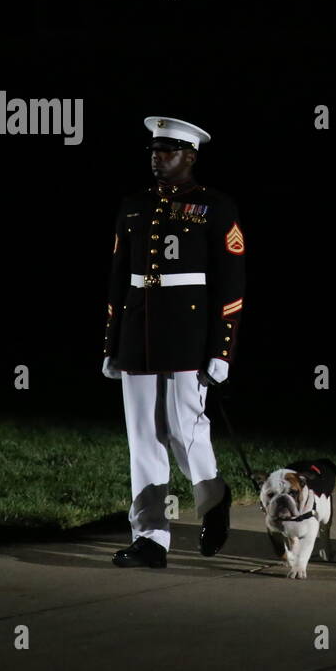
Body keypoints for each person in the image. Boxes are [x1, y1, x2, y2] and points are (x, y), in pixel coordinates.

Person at [101, 117, 246, 568]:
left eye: (168, 151)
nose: (157, 157)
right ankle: (150, 538)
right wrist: (111, 343)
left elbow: (230, 282)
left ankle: (213, 498)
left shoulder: (214, 206)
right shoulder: (133, 206)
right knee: (144, 437)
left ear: (190, 156)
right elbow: (118, 278)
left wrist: (221, 350)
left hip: (189, 333)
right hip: (139, 333)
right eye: (153, 150)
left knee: (184, 429)